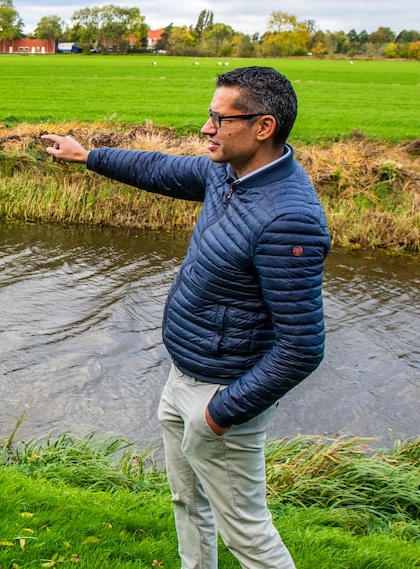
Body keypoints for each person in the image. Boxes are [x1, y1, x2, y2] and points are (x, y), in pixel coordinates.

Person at [42, 66, 329, 569]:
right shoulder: (229, 173)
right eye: (209, 116)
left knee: (248, 535)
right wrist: (87, 155)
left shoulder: (289, 218)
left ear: (263, 127)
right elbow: (159, 169)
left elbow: (302, 347)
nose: (206, 129)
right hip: (184, 375)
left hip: (222, 395)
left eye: (220, 119)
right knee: (188, 503)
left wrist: (220, 413)